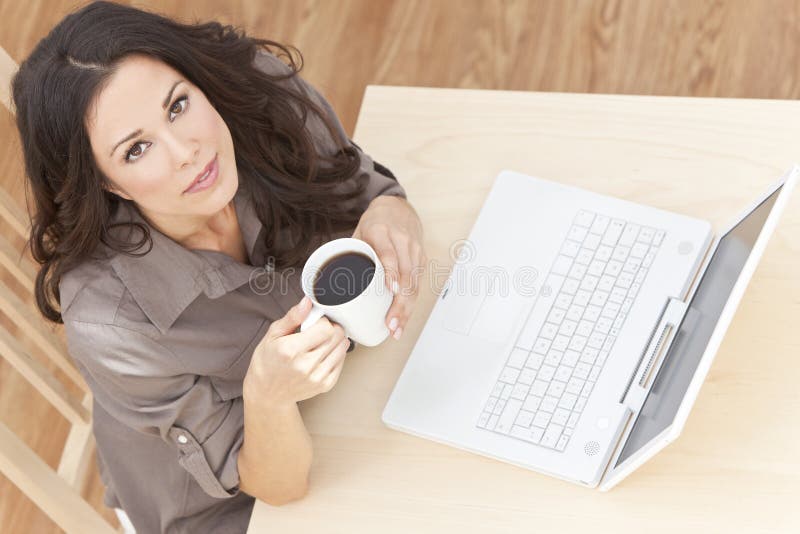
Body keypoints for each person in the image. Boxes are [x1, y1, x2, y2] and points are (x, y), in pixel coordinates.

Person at [11, 1, 426, 532]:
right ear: (107, 184)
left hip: (351, 391)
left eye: (178, 106)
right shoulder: (110, 321)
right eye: (137, 149)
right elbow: (278, 486)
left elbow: (361, 189)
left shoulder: (253, 91)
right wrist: (266, 396)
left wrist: (391, 210)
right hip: (231, 501)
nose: (186, 151)